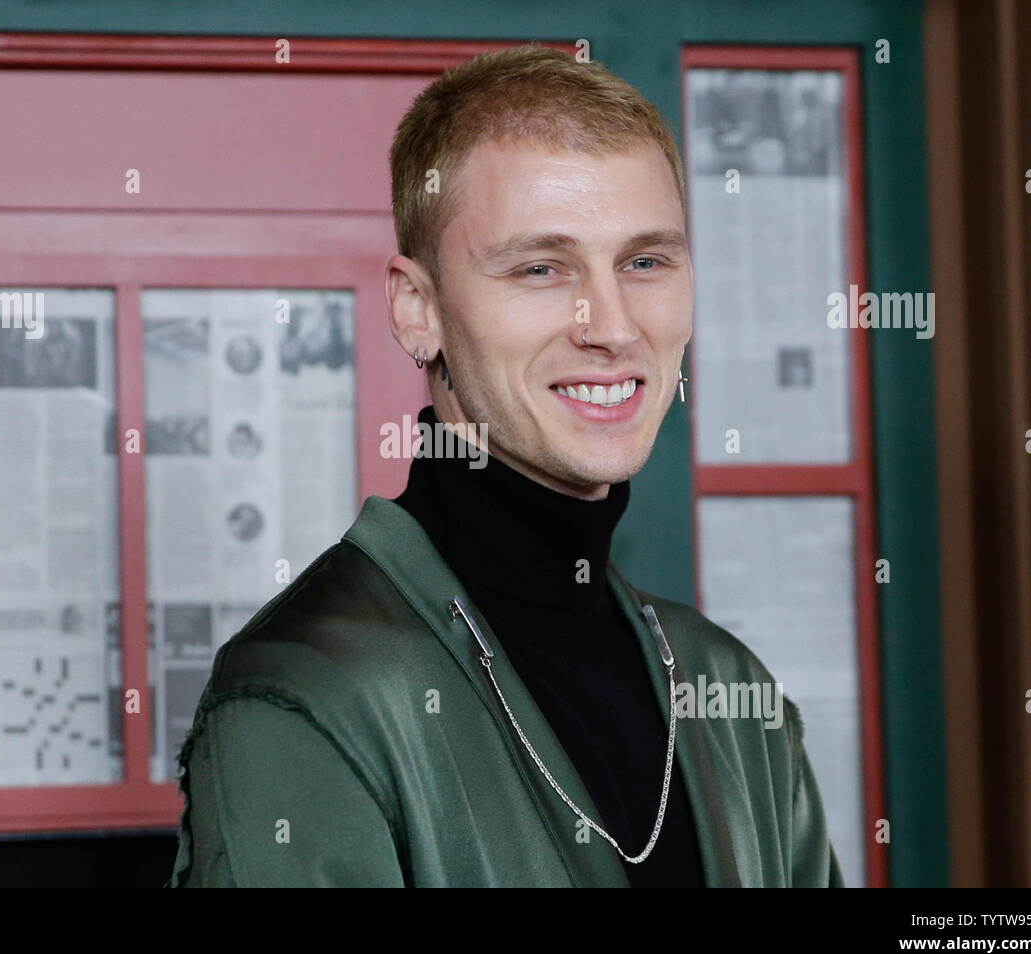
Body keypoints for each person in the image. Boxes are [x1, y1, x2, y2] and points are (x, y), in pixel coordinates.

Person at [170, 44, 843, 887]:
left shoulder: (731, 692)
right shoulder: (308, 699)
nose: (612, 327)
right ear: (418, 310)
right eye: (540, 268)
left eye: (644, 262)